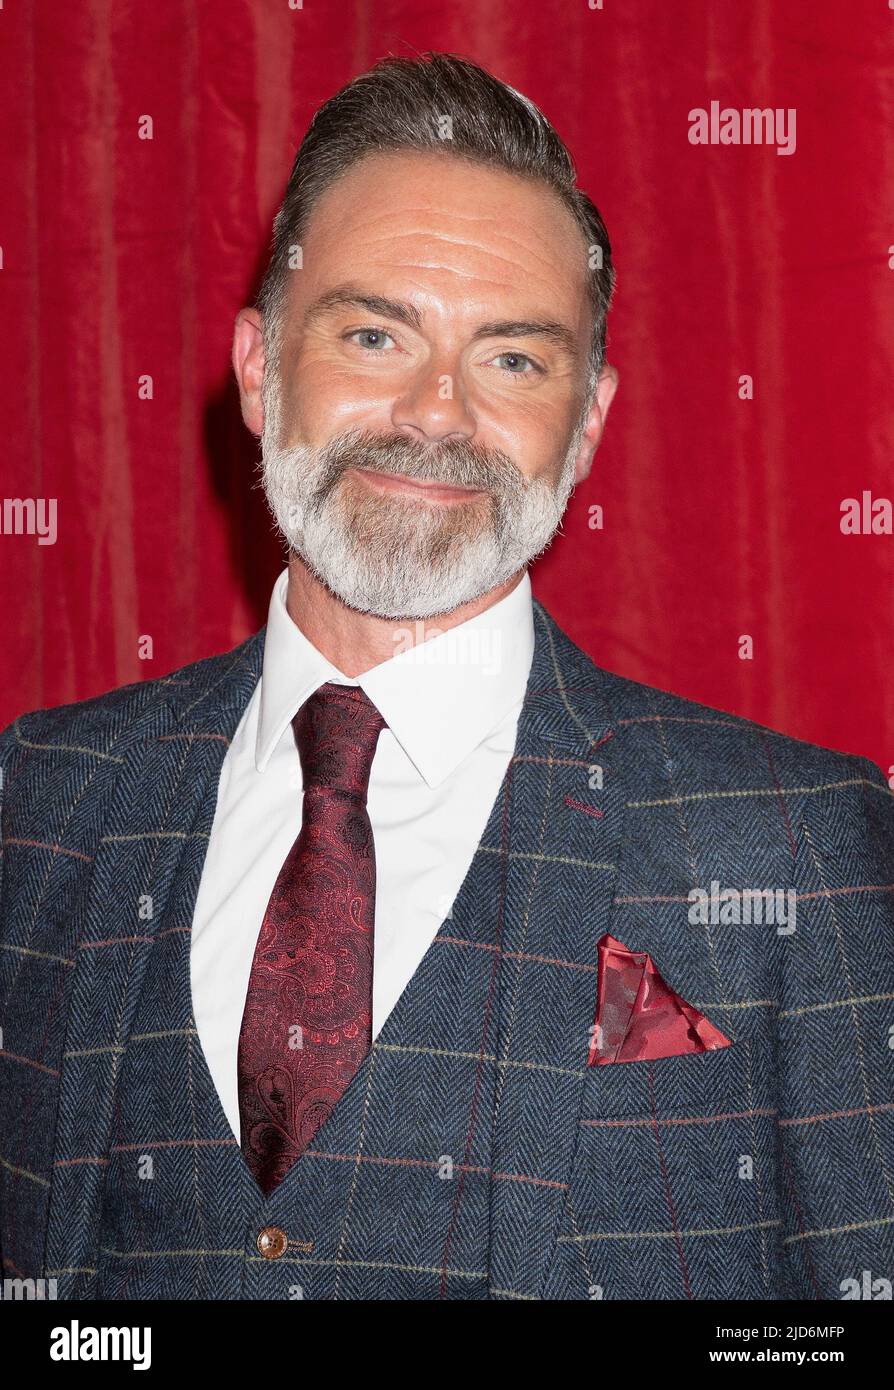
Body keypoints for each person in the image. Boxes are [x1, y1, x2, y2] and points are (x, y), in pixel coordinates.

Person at [1, 51, 891, 1303]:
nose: (436, 411)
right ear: (259, 369)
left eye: (513, 360)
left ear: (586, 425)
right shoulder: (36, 798)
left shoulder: (799, 841)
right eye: (374, 333)